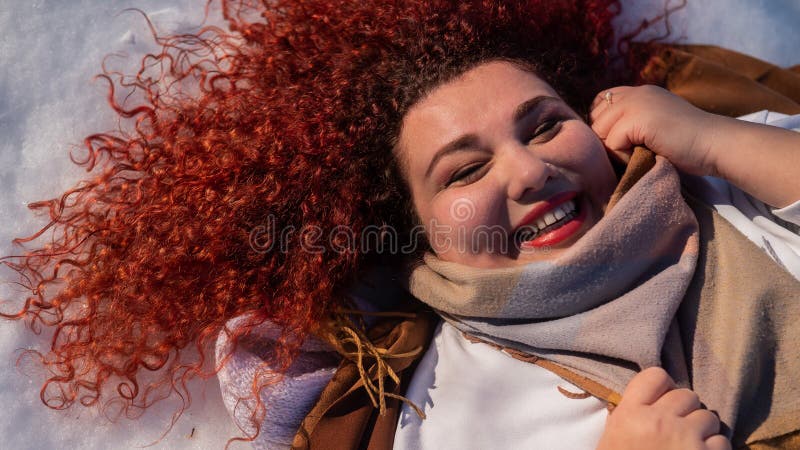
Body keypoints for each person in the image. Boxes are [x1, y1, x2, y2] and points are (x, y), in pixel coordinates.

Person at [2, 1, 799, 449]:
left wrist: (713, 135)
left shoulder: (725, 181)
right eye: (464, 170)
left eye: (544, 123)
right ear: (416, 233)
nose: (528, 171)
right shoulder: (444, 404)